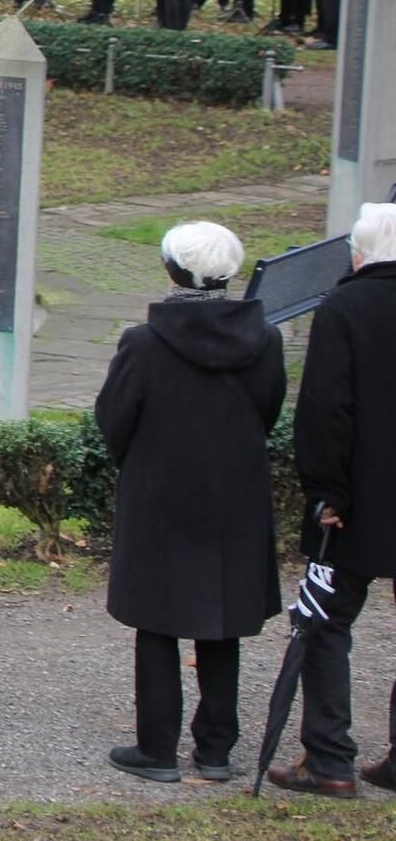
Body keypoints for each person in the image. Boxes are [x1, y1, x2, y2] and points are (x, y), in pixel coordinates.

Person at [96, 221, 284, 785]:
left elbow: (114, 419)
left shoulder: (144, 343)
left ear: (172, 271)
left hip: (160, 493)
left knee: (156, 620)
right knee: (221, 619)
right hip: (236, 495)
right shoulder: (265, 340)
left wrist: (140, 460)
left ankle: (157, 748)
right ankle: (216, 748)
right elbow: (267, 413)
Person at [273, 203, 396, 798]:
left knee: (323, 622)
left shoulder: (345, 307)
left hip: (359, 499)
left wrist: (326, 490)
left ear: (361, 254)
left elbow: (326, 409)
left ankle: (328, 758)